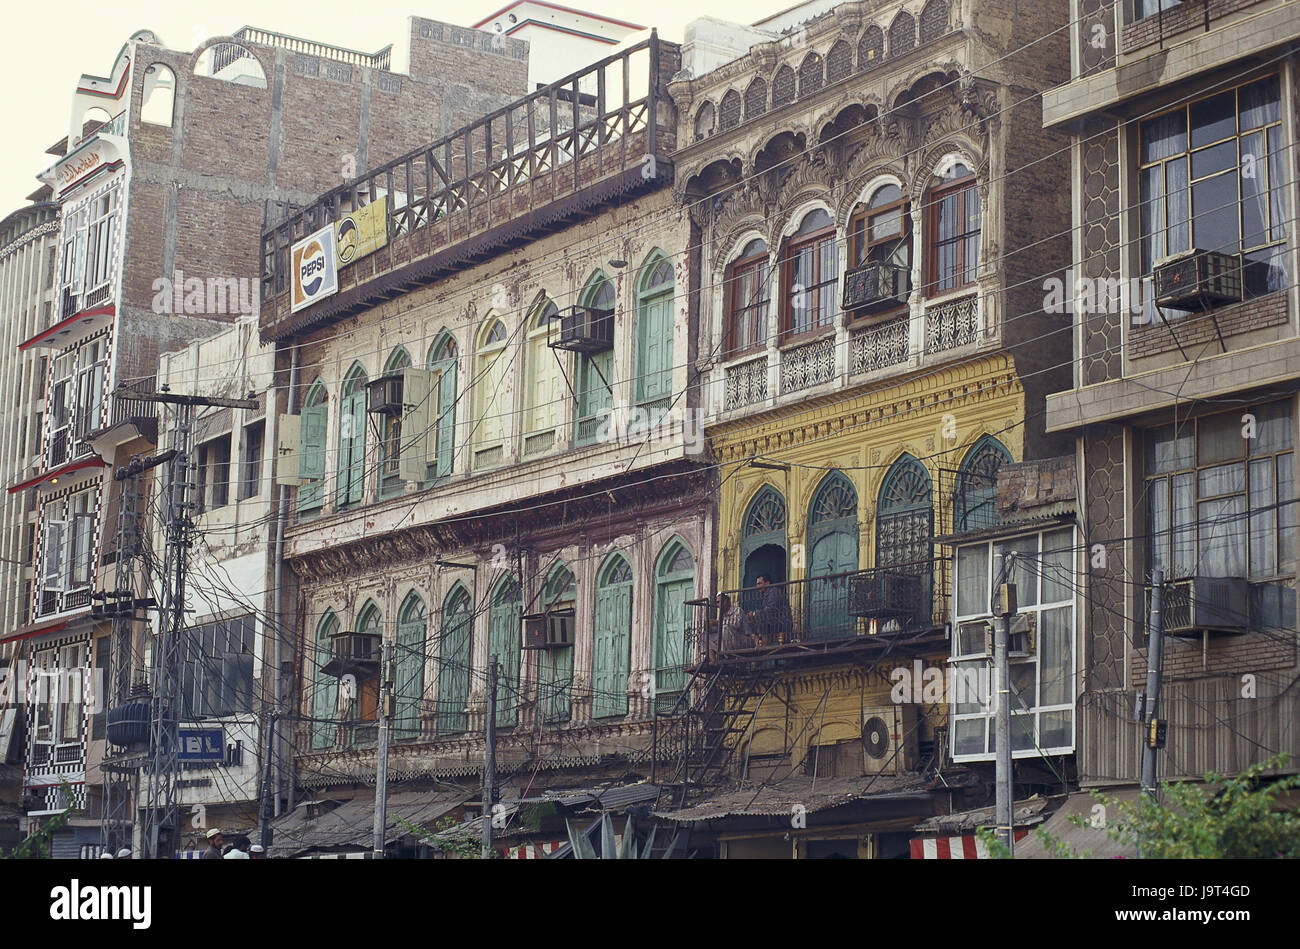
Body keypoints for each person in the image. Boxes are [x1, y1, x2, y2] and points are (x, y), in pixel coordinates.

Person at [748, 575, 793, 645]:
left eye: (759, 583)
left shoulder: (774, 592)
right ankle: (757, 641)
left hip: (782, 622)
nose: (757, 586)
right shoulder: (766, 595)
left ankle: (765, 644)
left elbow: (771, 610)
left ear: (767, 583)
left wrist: (754, 614)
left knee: (760, 616)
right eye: (757, 584)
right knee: (750, 621)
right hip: (773, 622)